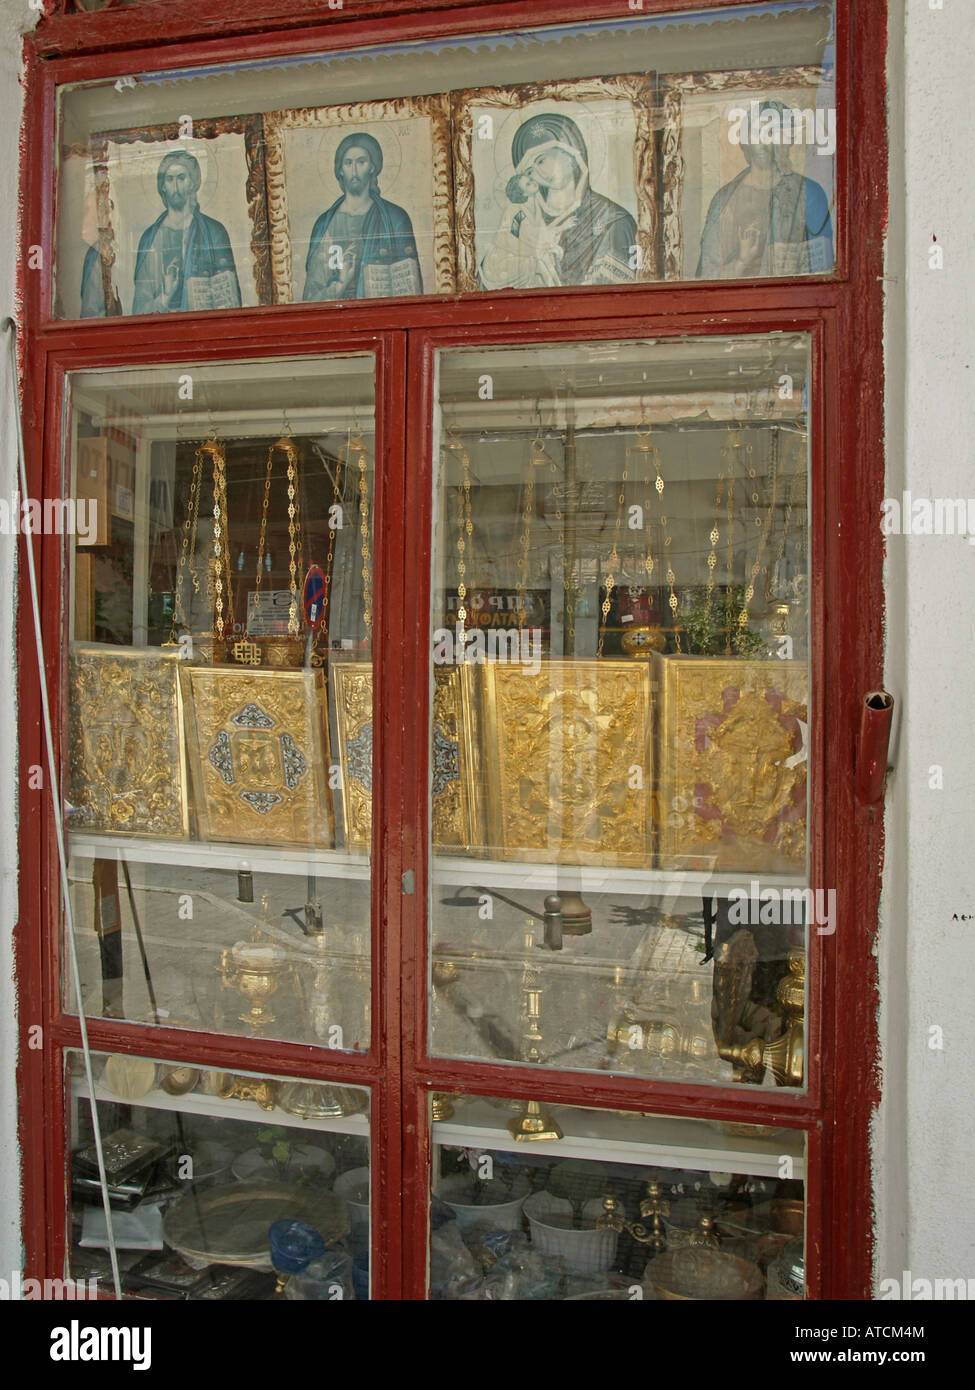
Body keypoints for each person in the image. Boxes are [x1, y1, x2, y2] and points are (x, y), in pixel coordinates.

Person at [478, 112, 637, 291]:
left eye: (541, 160)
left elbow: (614, 297)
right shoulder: (523, 218)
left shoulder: (612, 220)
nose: (537, 173)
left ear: (570, 153)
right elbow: (487, 285)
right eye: (529, 171)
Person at [696, 100, 834, 279]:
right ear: (744, 141)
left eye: (772, 133)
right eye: (756, 133)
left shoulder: (810, 194)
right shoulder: (725, 200)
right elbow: (708, 275)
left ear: (786, 141)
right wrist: (742, 261)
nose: (763, 142)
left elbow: (824, 269)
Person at [303, 132, 422, 300]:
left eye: (361, 162)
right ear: (341, 170)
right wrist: (340, 285)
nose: (354, 171)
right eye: (348, 163)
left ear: (372, 167)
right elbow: (311, 297)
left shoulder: (395, 218)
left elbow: (410, 291)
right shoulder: (325, 224)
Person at [133, 149, 241, 314]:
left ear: (193, 183)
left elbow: (229, 301)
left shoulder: (214, 232)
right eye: (169, 179)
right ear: (162, 186)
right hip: (161, 333)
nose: (175, 187)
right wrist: (166, 296)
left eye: (181, 178)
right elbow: (140, 309)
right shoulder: (150, 239)